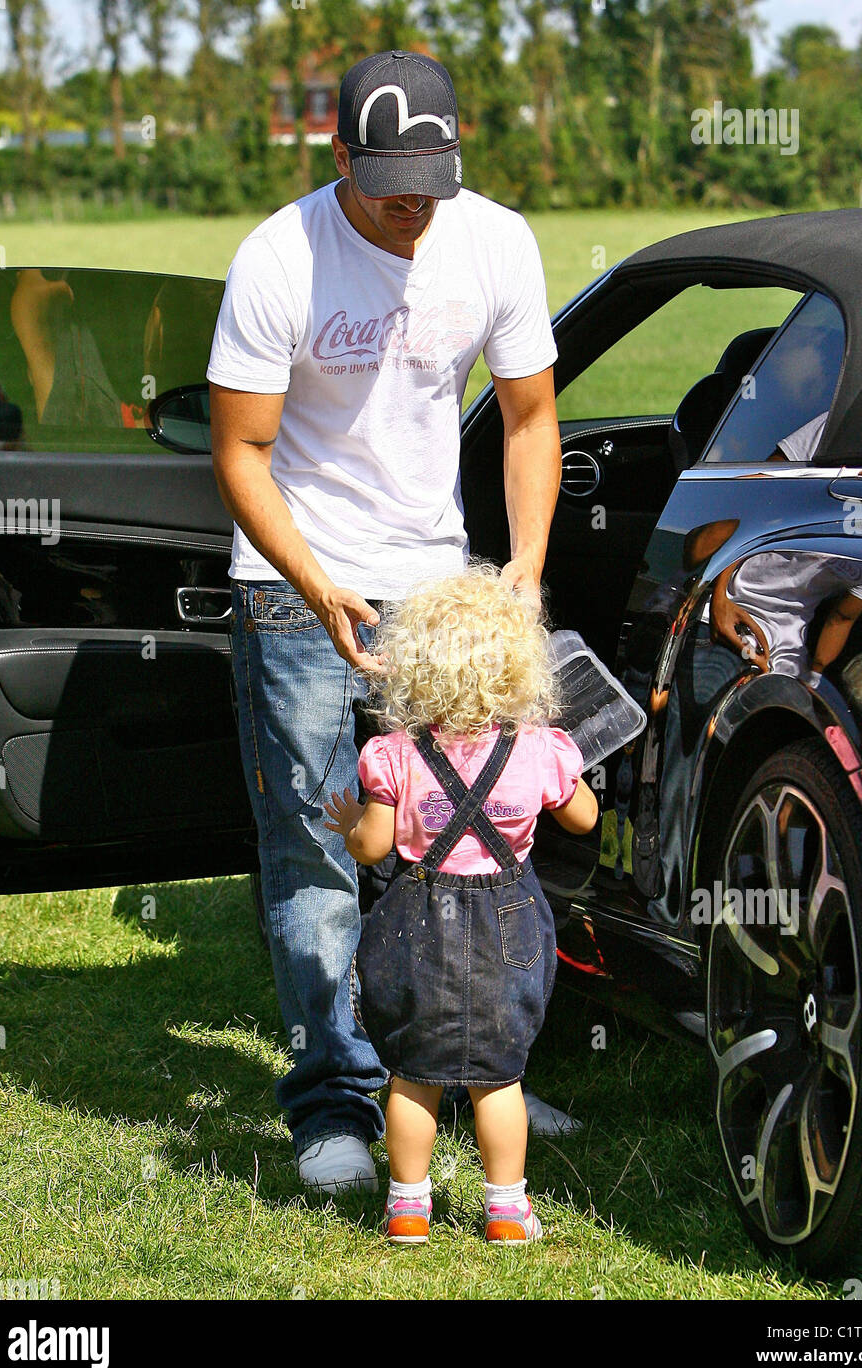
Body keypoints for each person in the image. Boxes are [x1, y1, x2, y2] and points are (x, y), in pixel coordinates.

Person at [206, 49, 565, 1192]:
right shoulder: (279, 259)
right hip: (296, 585)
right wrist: (315, 587)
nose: (414, 206)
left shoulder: (495, 240)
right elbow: (240, 451)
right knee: (319, 846)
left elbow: (527, 419)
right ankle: (337, 1105)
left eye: (434, 179)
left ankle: (476, 1069)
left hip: (441, 588)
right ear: (339, 157)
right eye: (390, 183)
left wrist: (522, 570)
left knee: (470, 843)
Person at [324, 564, 599, 1242]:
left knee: (412, 1073)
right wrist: (569, 778)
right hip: (509, 925)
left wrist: (349, 823)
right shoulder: (539, 749)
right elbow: (583, 820)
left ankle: (408, 1208)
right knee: (498, 1076)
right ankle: (506, 1211)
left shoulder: (394, 754)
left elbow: (373, 849)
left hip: (419, 923)